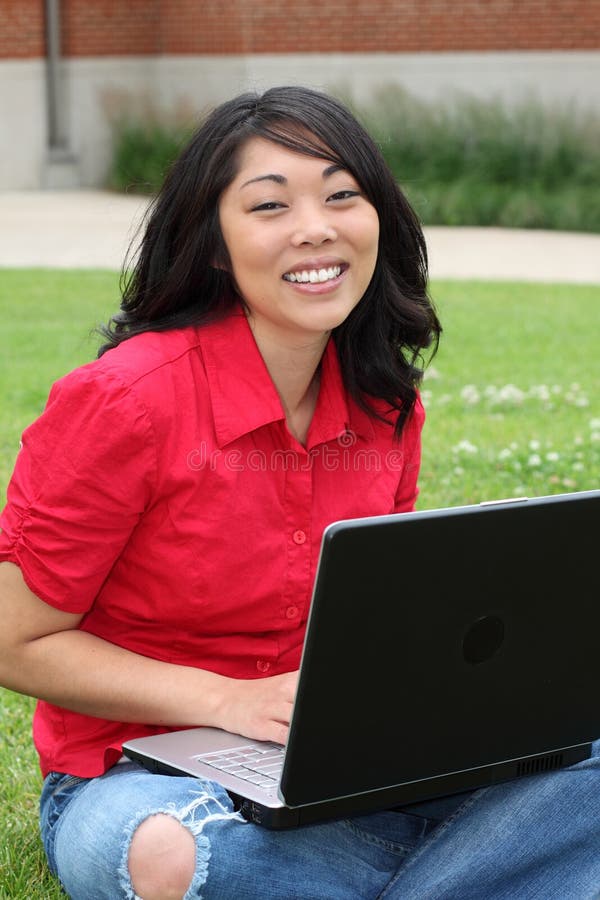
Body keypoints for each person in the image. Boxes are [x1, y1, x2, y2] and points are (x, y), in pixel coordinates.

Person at [0, 86, 597, 900]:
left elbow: (384, 622)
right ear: (215, 243)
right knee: (178, 856)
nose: (315, 227)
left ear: (377, 218)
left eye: (342, 195)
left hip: (343, 764)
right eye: (271, 205)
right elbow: (14, 640)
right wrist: (226, 700)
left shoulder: (386, 405)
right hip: (147, 778)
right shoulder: (125, 402)